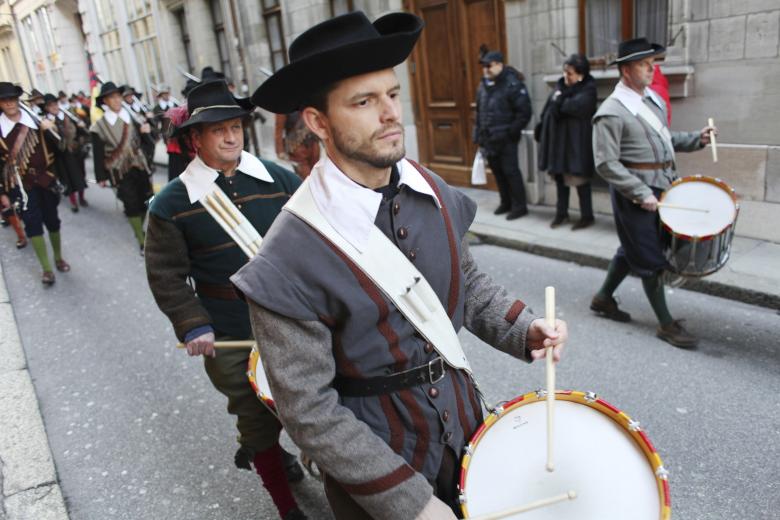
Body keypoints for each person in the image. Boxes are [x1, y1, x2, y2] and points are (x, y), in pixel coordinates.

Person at [231, 12, 568, 520]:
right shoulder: (286, 258)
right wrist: (409, 503)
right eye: (364, 102)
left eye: (391, 94)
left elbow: (465, 283)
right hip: (379, 466)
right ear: (318, 122)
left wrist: (524, 327)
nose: (389, 114)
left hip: (468, 434)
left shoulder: (430, 188)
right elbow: (309, 412)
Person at [144, 80, 307, 520]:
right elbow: (167, 276)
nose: (232, 136)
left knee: (314, 405)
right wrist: (193, 323)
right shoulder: (170, 204)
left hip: (294, 319)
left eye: (235, 126)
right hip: (229, 327)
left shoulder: (281, 179)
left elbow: (315, 243)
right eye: (219, 130)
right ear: (195, 139)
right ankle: (286, 504)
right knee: (256, 417)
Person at [589, 38, 717, 348]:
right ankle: (665, 324)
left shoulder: (650, 100)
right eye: (644, 64)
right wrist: (639, 192)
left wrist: (695, 139)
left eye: (652, 62)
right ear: (625, 70)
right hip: (636, 194)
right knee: (650, 257)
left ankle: (603, 298)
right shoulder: (611, 111)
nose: (652, 68)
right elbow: (605, 164)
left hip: (661, 187)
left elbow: (664, 140)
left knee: (632, 247)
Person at [0, 82, 70, 284]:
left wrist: (52, 129)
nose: (10, 103)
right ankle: (46, 269)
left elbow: (62, 148)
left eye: (12, 99)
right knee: (32, 226)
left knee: (53, 221)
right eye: (5, 100)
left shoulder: (36, 122)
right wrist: (2, 193)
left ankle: (58, 258)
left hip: (46, 181)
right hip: (19, 186)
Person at [90, 81, 154, 253]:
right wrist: (101, 176)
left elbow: (148, 141)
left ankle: (140, 227)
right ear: (105, 101)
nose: (116, 100)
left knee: (146, 202)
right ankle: (141, 240)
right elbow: (98, 153)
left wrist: (147, 132)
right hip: (119, 170)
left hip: (139, 165)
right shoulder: (99, 126)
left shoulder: (133, 116)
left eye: (118, 96)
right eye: (112, 97)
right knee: (131, 204)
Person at [536, 53, 597, 230]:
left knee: (580, 181)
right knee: (560, 179)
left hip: (577, 144)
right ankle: (561, 214)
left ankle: (587, 216)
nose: (565, 76)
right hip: (558, 144)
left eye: (569, 73)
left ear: (581, 74)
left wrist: (560, 100)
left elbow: (572, 107)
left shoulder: (589, 89)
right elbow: (549, 108)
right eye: (565, 72)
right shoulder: (559, 87)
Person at [473, 50, 532, 220]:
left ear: (499, 64)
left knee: (511, 172)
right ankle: (505, 202)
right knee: (498, 172)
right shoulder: (483, 86)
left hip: (506, 139)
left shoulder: (512, 84)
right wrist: (478, 136)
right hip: (489, 139)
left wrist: (510, 133)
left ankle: (520, 206)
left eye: (489, 66)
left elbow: (524, 113)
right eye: (484, 66)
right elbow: (479, 112)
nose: (486, 69)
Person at [43, 93, 89, 212]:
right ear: (46, 108)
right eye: (50, 105)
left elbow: (82, 132)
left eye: (55, 104)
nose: (54, 107)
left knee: (80, 177)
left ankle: (82, 198)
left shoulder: (68, 116)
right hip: (61, 157)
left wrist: (81, 127)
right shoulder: (46, 122)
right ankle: (73, 203)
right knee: (67, 180)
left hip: (75, 153)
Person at [274, 111, 320, 179]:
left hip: (313, 146)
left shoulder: (309, 102)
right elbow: (279, 129)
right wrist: (280, 151)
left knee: (317, 176)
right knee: (307, 180)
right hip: (296, 148)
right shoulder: (283, 105)